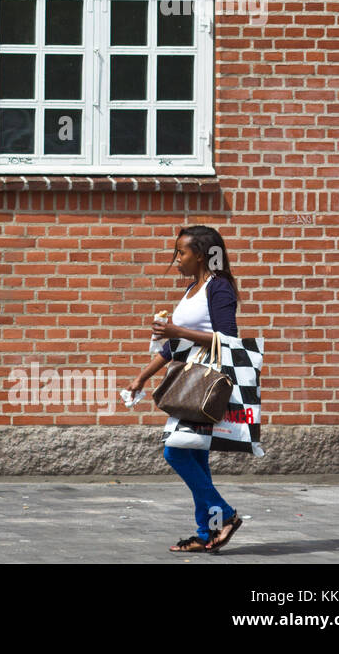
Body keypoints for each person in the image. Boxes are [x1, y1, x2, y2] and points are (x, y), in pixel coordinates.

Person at [127, 225, 249, 554]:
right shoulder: (193, 288)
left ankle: (225, 516)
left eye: (181, 252)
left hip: (206, 386)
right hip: (189, 383)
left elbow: (229, 341)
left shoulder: (218, 287)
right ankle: (206, 533)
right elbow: (173, 346)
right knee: (195, 454)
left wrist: (175, 328)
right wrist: (143, 376)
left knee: (176, 451)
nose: (176, 259)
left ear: (200, 255)